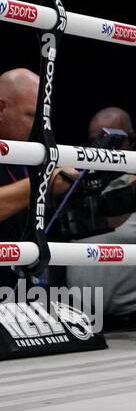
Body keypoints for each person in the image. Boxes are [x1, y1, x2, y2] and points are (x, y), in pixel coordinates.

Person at [64, 108, 136, 330]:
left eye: (114, 140)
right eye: (96, 141)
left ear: (131, 140)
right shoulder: (75, 187)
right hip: (81, 324)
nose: (105, 149)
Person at [0, 68, 76, 289]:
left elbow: (71, 223)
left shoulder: (31, 154)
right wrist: (43, 182)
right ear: (1, 108)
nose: (40, 127)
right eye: (31, 116)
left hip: (27, 298)